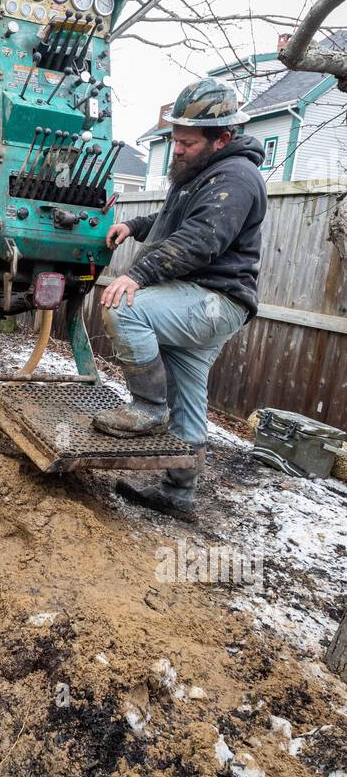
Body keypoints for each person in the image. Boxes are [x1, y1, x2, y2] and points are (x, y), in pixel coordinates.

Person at [91, 76, 267, 519]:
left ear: (222, 138)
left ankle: (148, 408)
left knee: (124, 310)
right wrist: (136, 226)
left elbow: (201, 239)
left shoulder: (236, 178)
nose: (178, 150)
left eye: (187, 142)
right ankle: (178, 494)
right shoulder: (201, 173)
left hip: (213, 300)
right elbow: (175, 215)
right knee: (189, 400)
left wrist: (138, 274)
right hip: (201, 299)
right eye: (175, 140)